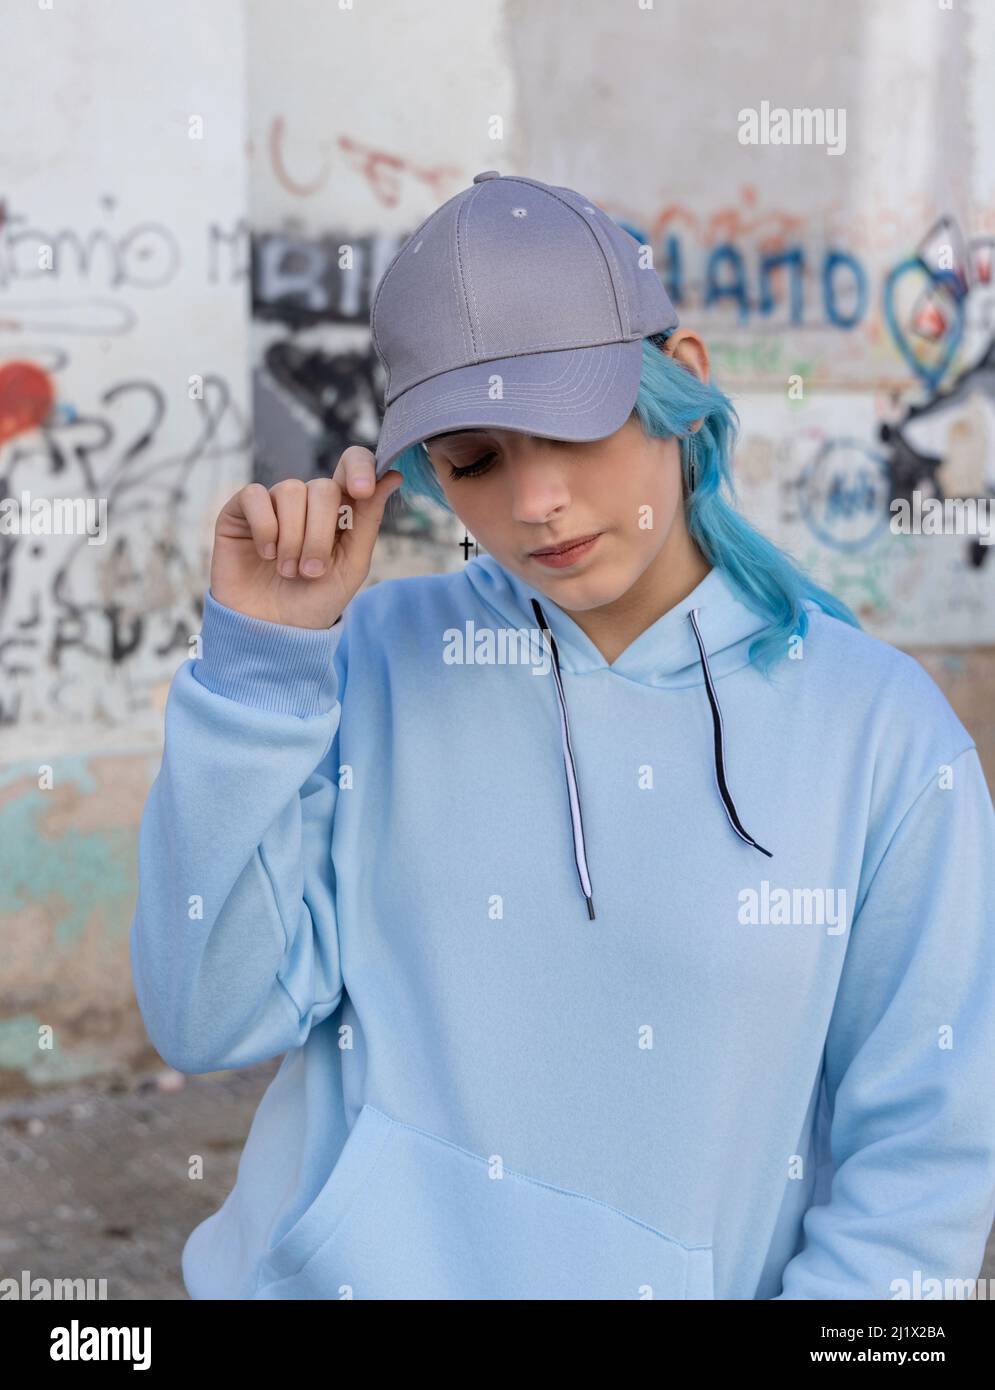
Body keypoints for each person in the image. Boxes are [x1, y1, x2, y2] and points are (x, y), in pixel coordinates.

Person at [130, 171, 995, 1301]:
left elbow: (920, 1169)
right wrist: (258, 670)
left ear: (679, 376)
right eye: (473, 458)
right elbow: (204, 1018)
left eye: (571, 426)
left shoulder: (880, 734)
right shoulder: (371, 657)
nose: (533, 501)